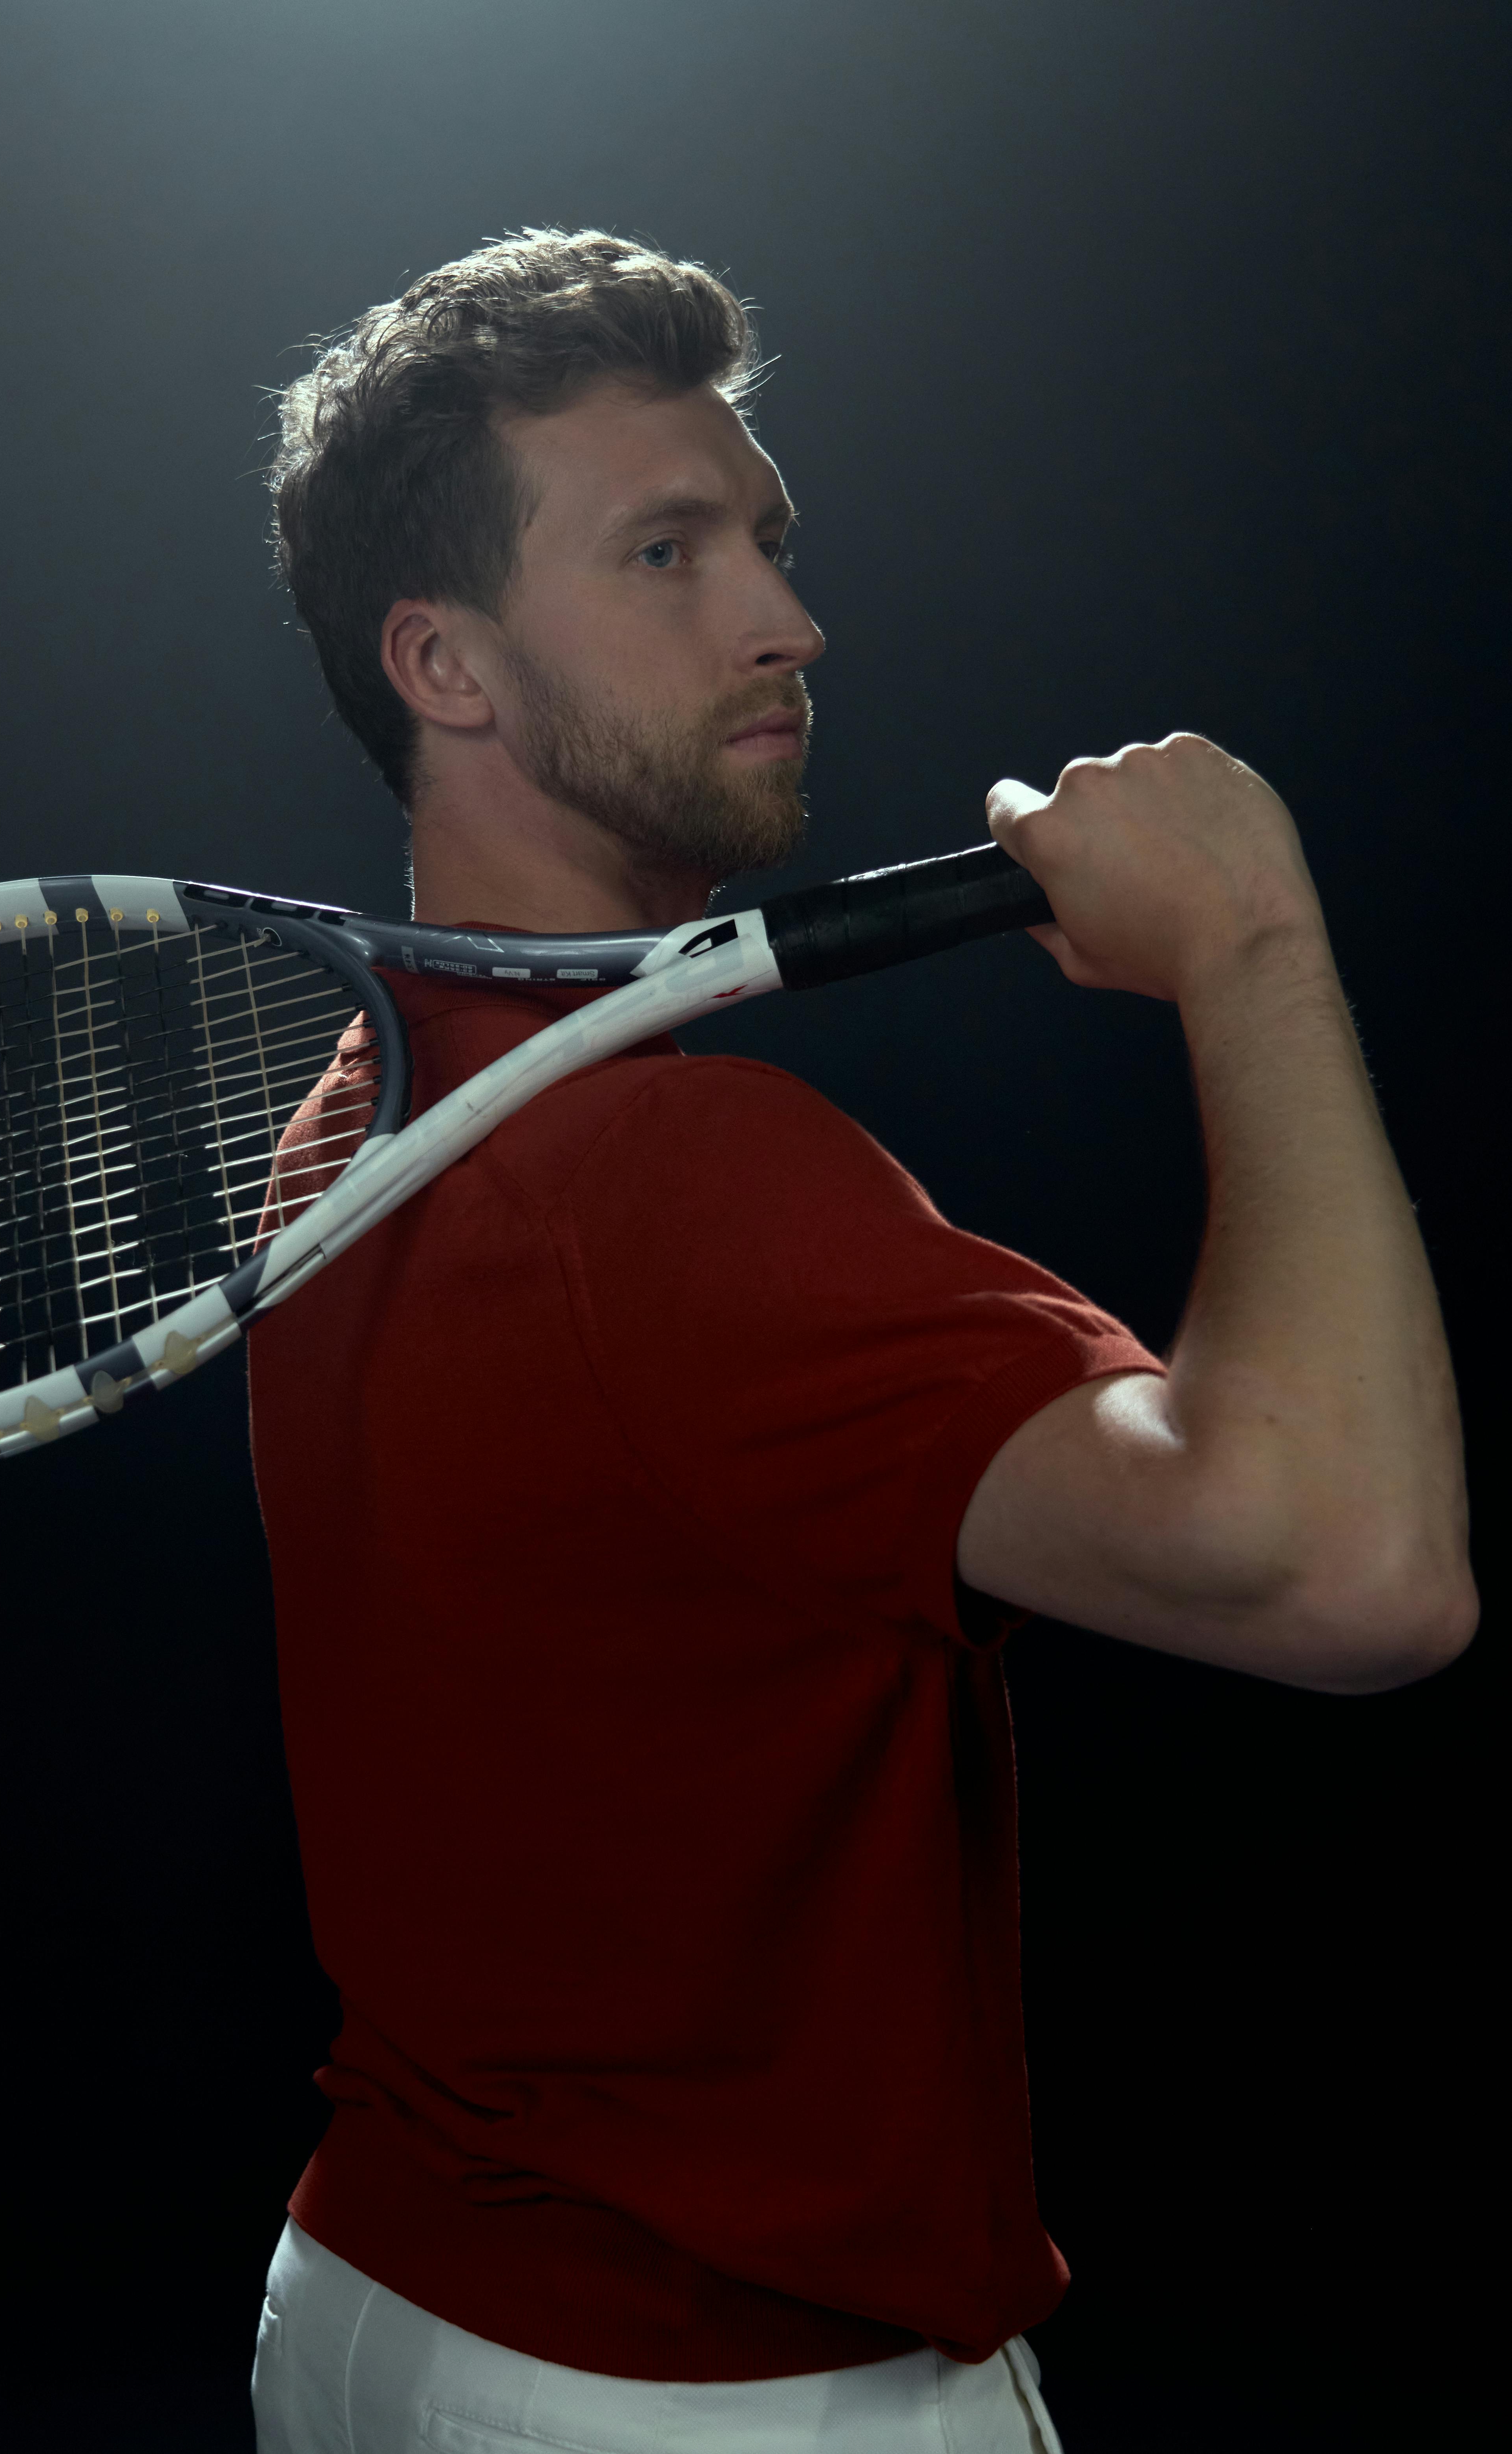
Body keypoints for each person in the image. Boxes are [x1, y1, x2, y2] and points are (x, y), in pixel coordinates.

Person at [244, 231, 1474, 2454]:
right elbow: (1351, 1567)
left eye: (767, 543)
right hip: (703, 2399)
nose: (786, 620)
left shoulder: (356, 1108)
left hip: (372, 2306)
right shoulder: (680, 1191)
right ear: (446, 661)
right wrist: (1259, 946)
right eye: (666, 551)